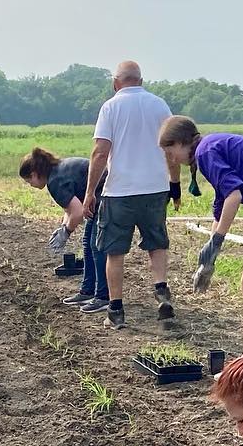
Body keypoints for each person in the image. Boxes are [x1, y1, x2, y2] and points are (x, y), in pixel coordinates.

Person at [158, 117, 243, 355]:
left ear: (181, 142)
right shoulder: (209, 147)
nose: (173, 159)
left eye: (171, 152)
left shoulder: (205, 152)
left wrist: (217, 242)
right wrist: (208, 261)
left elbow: (234, 196)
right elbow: (221, 207)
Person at [78, 60, 178, 331]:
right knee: (157, 244)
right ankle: (161, 291)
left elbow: (100, 152)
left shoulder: (111, 107)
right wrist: (175, 183)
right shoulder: (160, 105)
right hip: (155, 188)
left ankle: (116, 310)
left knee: (115, 252)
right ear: (141, 81)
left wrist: (90, 192)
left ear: (115, 83)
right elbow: (172, 148)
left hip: (120, 191)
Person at [19, 146, 109, 313]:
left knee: (96, 247)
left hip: (105, 199)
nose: (30, 185)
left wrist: (66, 232)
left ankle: (104, 297)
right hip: (97, 201)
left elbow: (77, 213)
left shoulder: (55, 181)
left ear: (34, 174)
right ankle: (88, 291)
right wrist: (63, 227)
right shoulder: (57, 171)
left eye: (28, 181)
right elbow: (70, 209)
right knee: (88, 244)